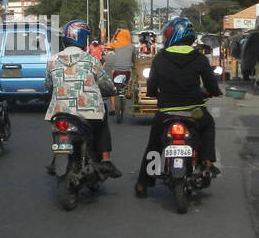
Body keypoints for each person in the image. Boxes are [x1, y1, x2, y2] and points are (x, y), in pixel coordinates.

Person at [135, 16, 222, 198]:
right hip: (194, 111)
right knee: (208, 125)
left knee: (155, 144)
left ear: (173, 34)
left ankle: (143, 183)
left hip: (166, 111)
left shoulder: (160, 58)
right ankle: (206, 161)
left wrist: (155, 95)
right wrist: (214, 92)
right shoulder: (198, 58)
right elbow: (211, 85)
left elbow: (151, 87)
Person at [44, 19, 120, 178]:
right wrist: (112, 90)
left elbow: (48, 85)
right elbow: (106, 84)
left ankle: (56, 156)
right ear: (83, 40)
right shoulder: (92, 60)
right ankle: (106, 160)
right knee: (103, 114)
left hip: (59, 112)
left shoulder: (51, 61)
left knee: (57, 130)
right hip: (89, 113)